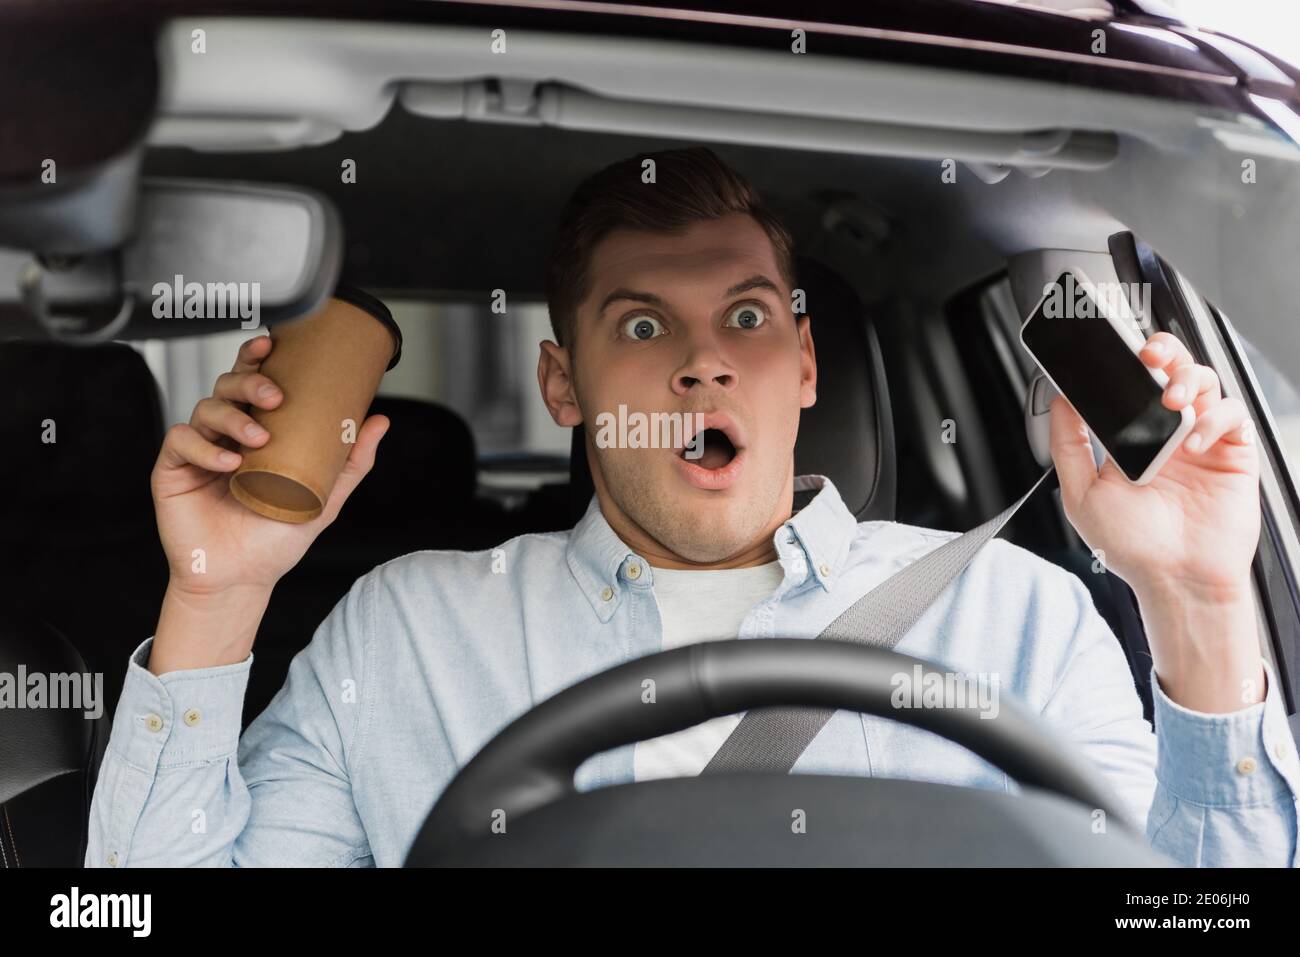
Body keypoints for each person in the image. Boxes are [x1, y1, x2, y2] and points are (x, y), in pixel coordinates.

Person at [87, 147, 1298, 867]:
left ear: (805, 370)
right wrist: (221, 590)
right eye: (641, 325)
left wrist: (1195, 602)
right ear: (563, 384)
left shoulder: (1013, 613)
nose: (703, 363)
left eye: (748, 318)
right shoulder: (400, 631)